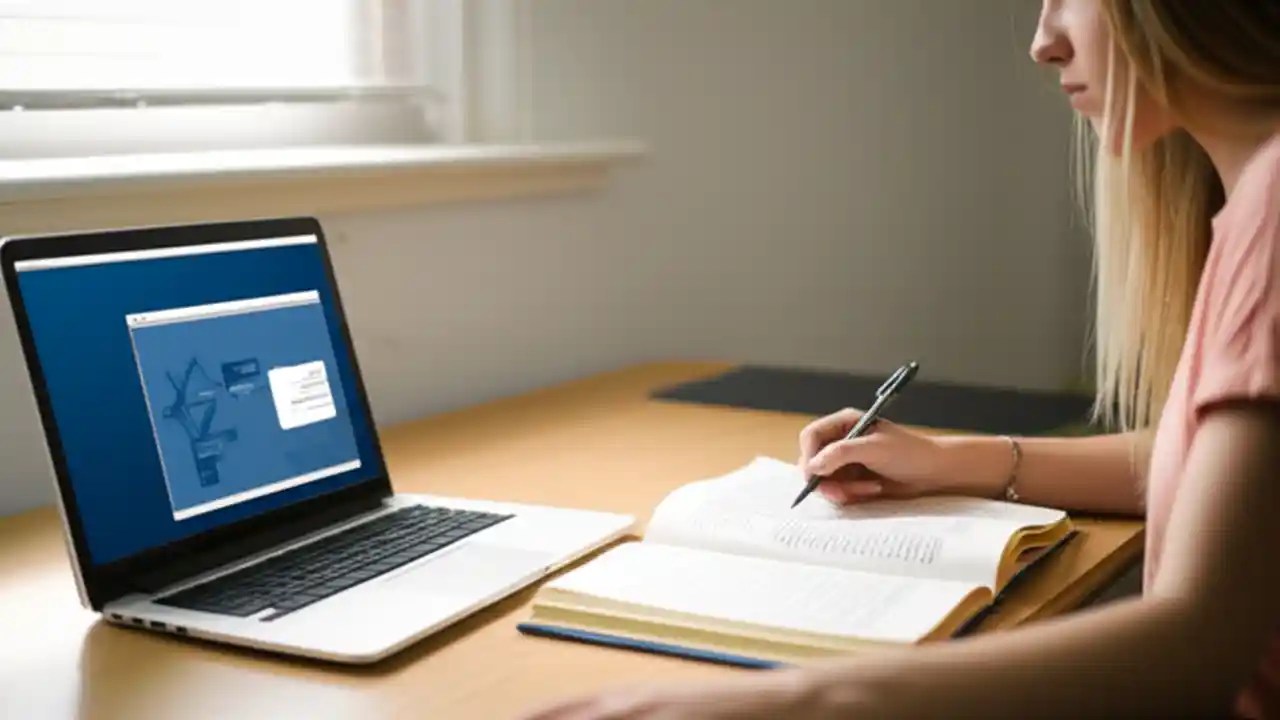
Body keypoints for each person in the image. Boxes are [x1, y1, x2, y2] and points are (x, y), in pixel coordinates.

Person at [522, 1, 1280, 718]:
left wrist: (791, 701)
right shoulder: (1251, 195)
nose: (1043, 40)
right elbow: (1199, 471)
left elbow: (1199, 642)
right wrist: (953, 460)